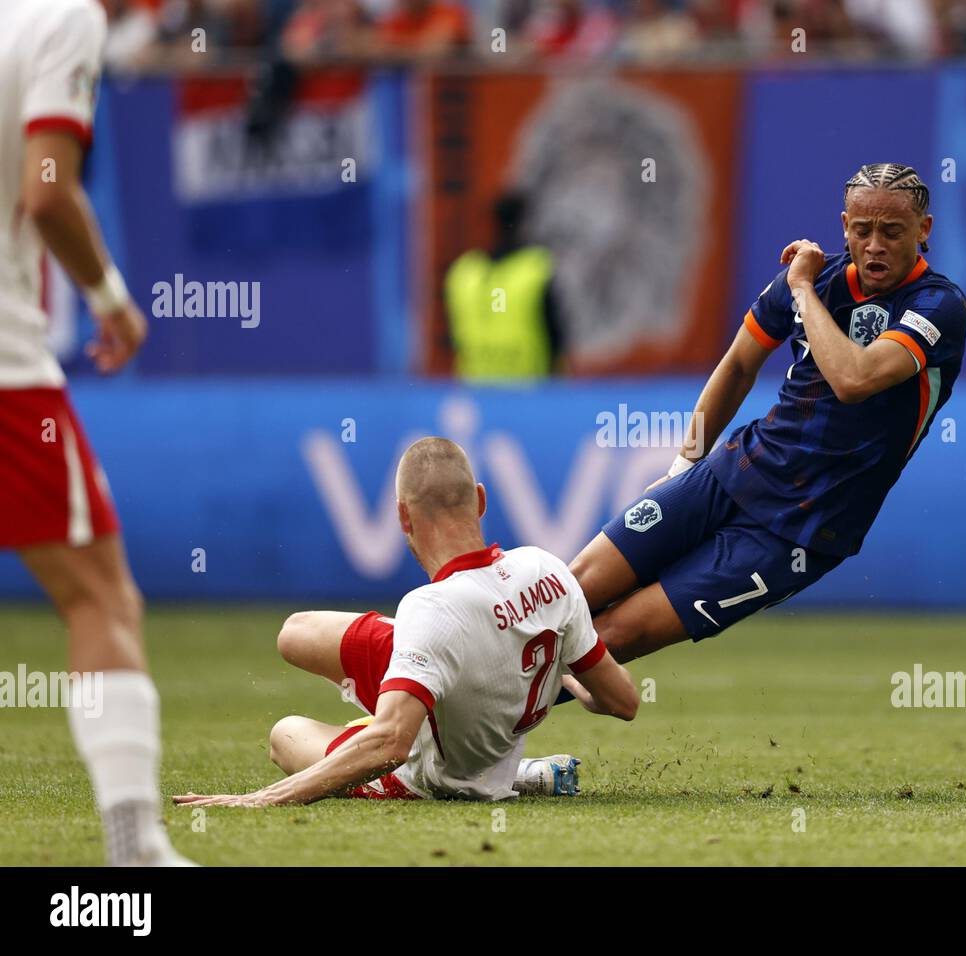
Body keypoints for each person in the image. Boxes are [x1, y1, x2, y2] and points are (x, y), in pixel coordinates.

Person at [566, 163, 966, 665]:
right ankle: (456, 723)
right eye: (862, 230)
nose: (874, 246)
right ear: (844, 225)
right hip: (732, 471)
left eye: (892, 232)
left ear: (924, 230)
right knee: (573, 591)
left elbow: (854, 380)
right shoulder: (818, 278)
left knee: (615, 634)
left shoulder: (938, 305)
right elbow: (736, 366)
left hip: (800, 529)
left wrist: (802, 290)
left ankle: (486, 734)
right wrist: (681, 468)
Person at [175, 438, 637, 807]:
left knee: (284, 735)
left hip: (435, 770)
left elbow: (391, 744)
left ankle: (525, 774)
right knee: (294, 633)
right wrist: (572, 675)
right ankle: (423, 666)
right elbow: (625, 701)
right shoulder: (546, 568)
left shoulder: (429, 608)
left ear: (402, 516)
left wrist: (260, 798)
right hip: (462, 659)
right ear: (480, 500)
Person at [0, 0, 190, 866]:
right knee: (102, 599)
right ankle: (134, 848)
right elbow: (47, 191)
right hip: (7, 377)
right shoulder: (62, 17)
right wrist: (112, 300)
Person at [445, 191, 566, 380]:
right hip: (530, 393)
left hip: (476, 391)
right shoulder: (536, 268)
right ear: (526, 224)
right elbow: (556, 338)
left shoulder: (464, 273)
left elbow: (453, 336)